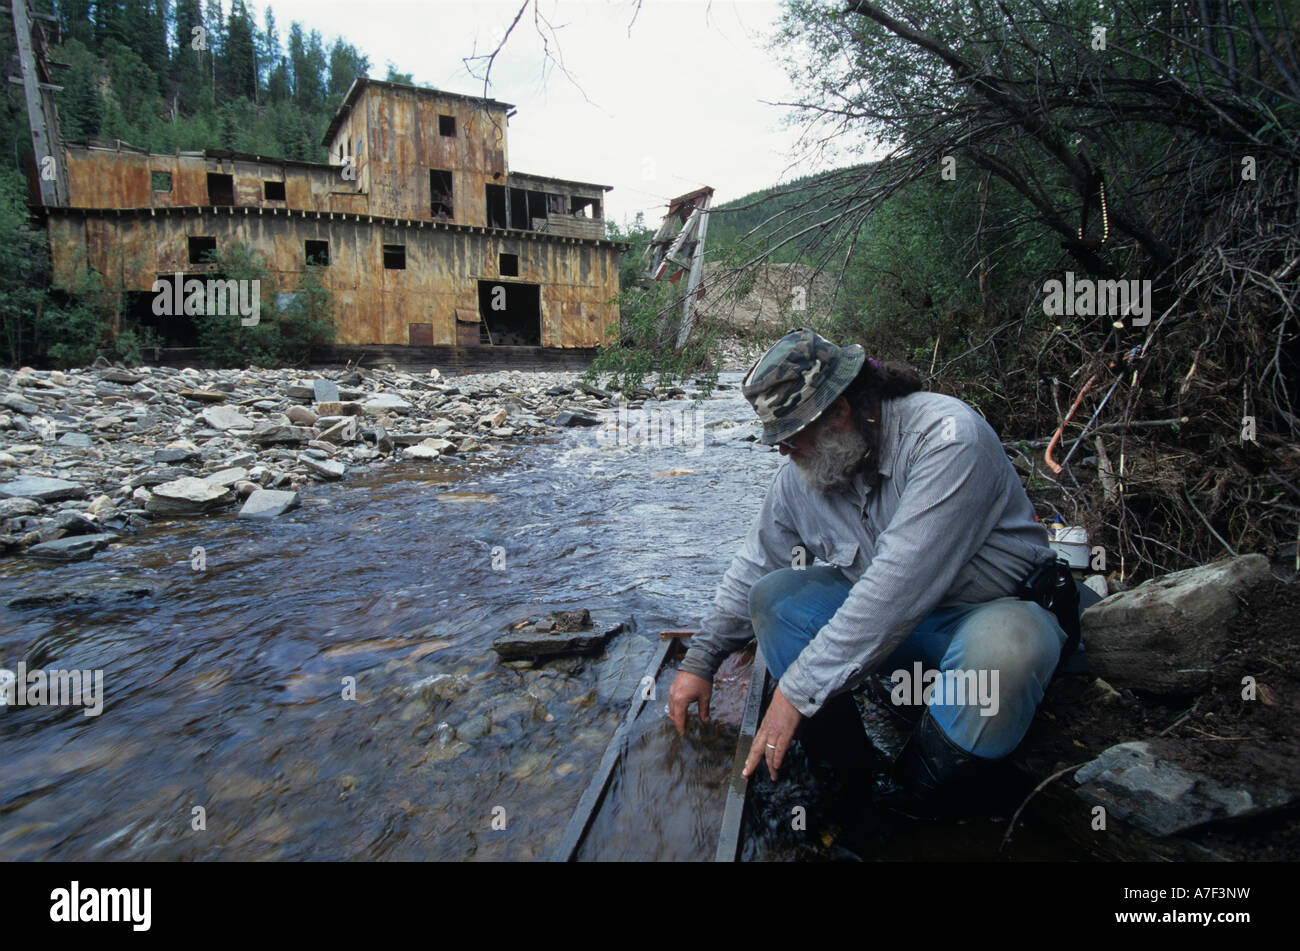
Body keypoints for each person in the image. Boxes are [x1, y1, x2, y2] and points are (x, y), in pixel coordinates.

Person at [667, 328, 1073, 816]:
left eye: (794, 435)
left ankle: (919, 798)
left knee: (1008, 651)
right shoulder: (803, 474)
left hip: (981, 616)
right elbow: (755, 564)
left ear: (839, 412)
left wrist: (795, 692)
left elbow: (896, 587)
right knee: (773, 597)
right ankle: (847, 775)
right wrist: (700, 661)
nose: (784, 451)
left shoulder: (947, 439)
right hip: (894, 638)